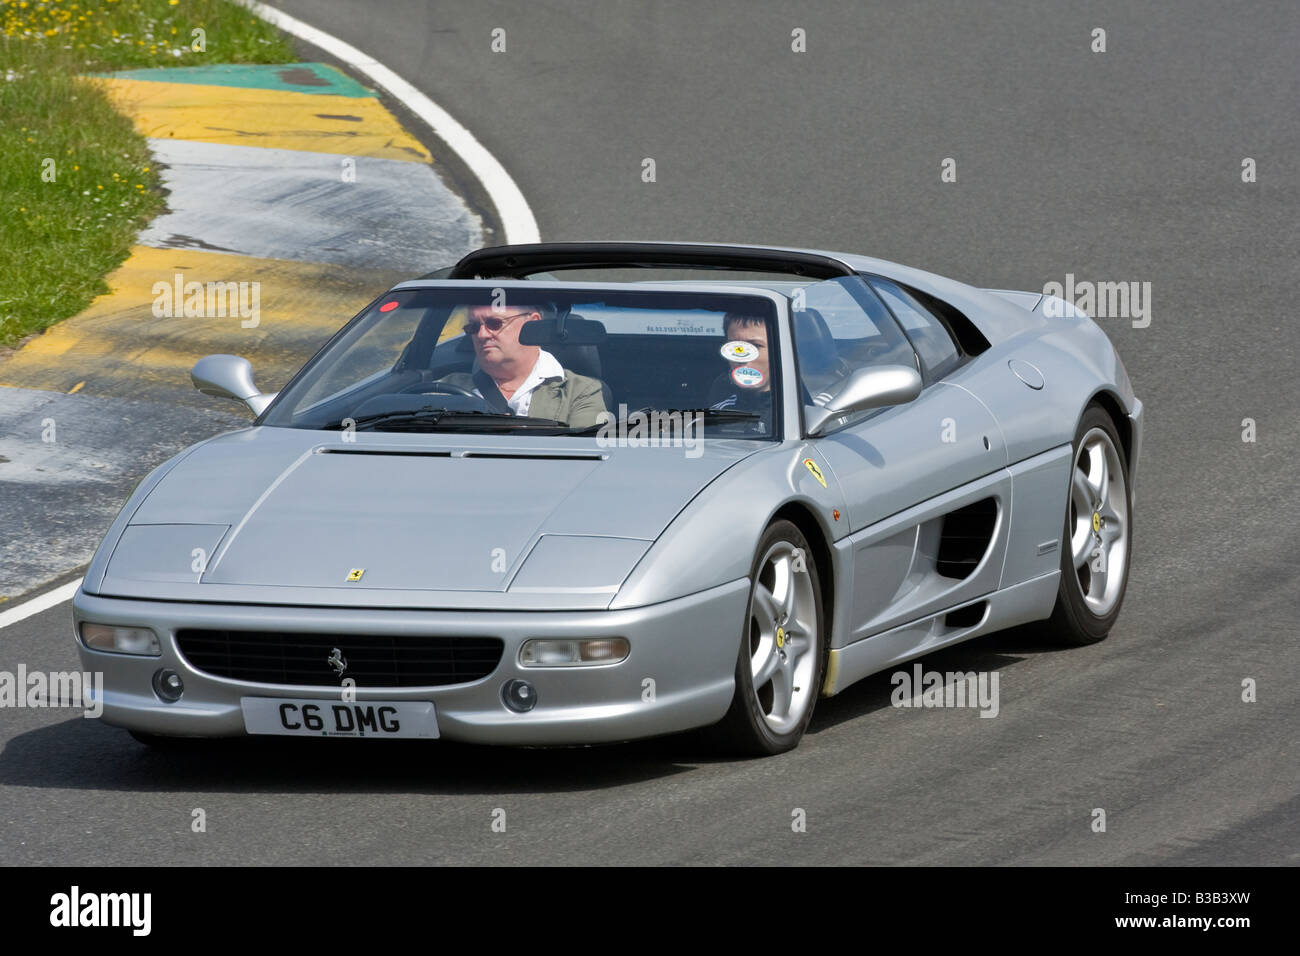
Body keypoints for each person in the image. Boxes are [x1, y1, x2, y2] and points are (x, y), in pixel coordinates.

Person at [442, 304, 607, 428]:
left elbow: (580, 459)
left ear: (532, 323)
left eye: (494, 323)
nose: (481, 334)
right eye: (473, 327)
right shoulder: (446, 388)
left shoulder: (580, 392)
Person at [707, 312, 775, 421]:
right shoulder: (720, 411)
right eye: (735, 347)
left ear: (777, 350)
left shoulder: (797, 408)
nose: (742, 357)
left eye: (755, 345)